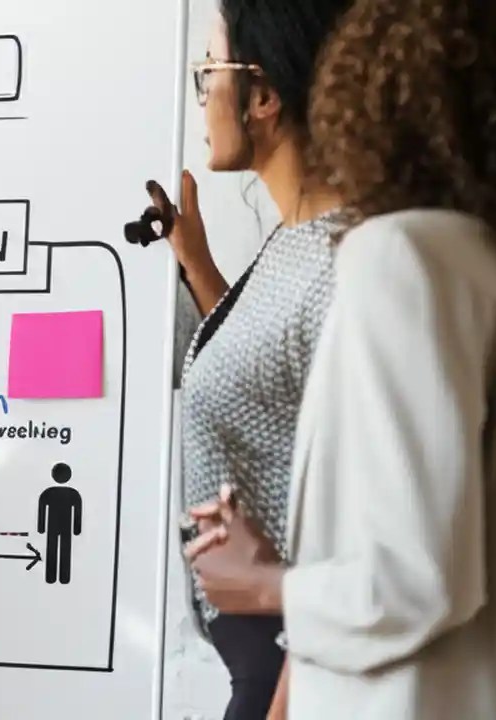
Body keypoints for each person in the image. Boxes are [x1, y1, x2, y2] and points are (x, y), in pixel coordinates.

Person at [186, 0, 496, 717]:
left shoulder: (393, 256)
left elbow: (414, 577)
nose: (203, 92)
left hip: (333, 669)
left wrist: (264, 584)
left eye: (208, 70)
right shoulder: (481, 262)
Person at [130, 1, 353, 717]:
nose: (202, 97)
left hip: (290, 664)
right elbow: (266, 365)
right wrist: (196, 261)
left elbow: (364, 524)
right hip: (266, 656)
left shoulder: (343, 263)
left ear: (262, 95)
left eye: (209, 74)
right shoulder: (298, 237)